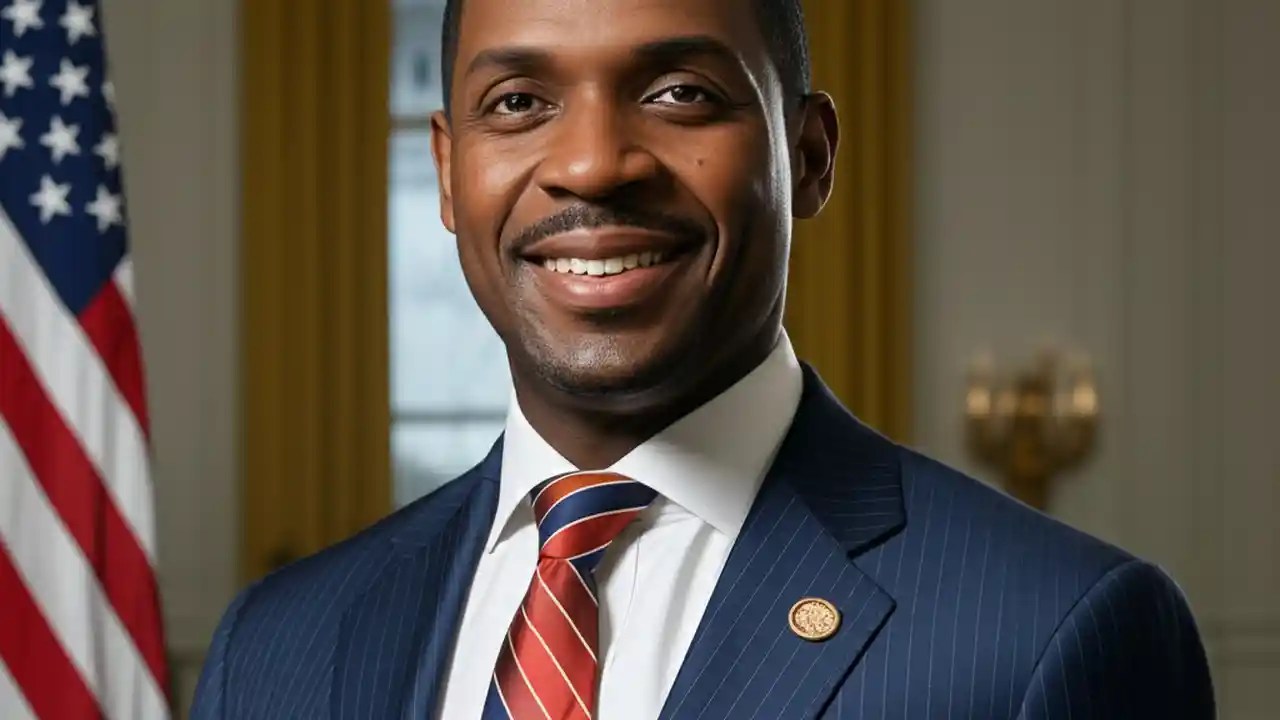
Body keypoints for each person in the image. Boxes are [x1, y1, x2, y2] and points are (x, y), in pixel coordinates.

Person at [192, 0, 1214, 717]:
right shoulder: (275, 651)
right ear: (449, 171)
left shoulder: (1047, 634)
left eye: (679, 92)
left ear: (807, 155)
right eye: (518, 103)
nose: (592, 164)